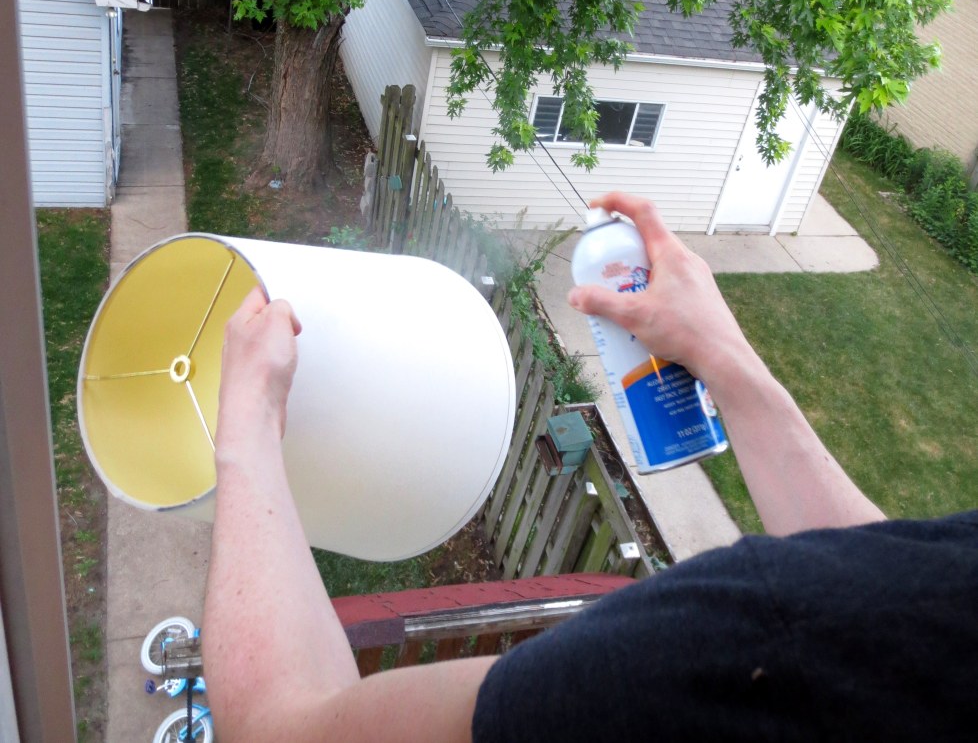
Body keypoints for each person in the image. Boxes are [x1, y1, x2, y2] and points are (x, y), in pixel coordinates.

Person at [202, 192, 978, 741]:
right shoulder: (910, 633)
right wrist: (725, 359)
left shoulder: (735, 652)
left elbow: (280, 727)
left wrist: (246, 429)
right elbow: (879, 594)